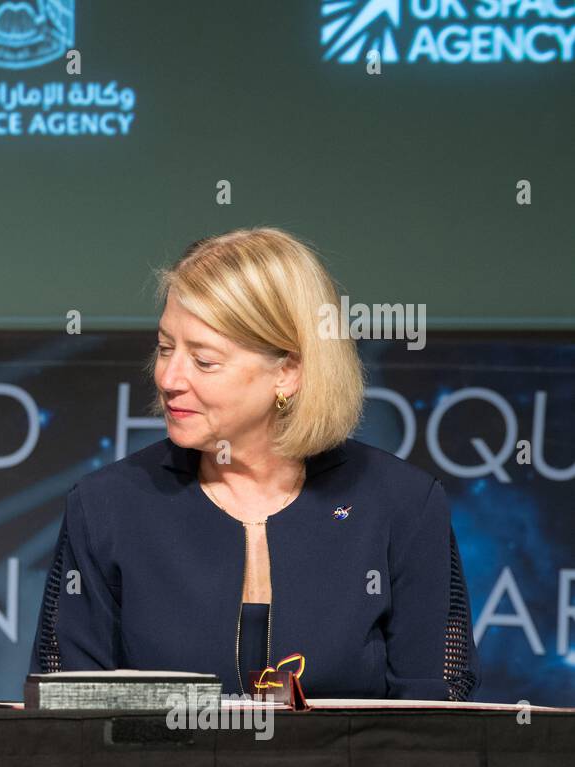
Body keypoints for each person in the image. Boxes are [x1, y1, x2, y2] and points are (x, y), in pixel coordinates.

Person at [32, 228, 479, 700]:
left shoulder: (402, 505)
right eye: (165, 348)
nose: (169, 377)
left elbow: (434, 718)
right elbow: (69, 714)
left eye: (203, 360)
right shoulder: (105, 506)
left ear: (288, 371)